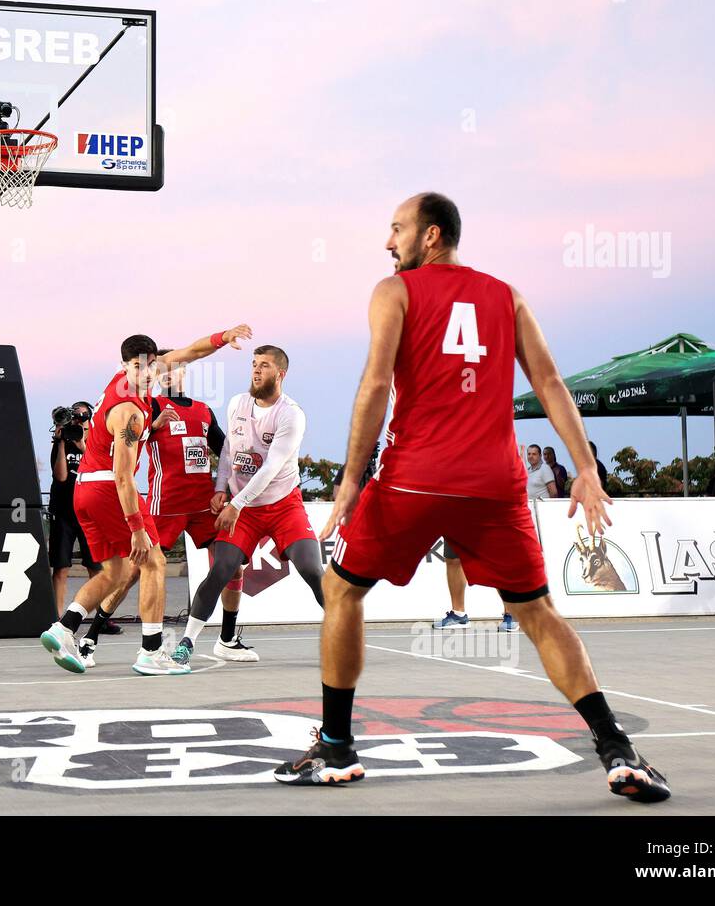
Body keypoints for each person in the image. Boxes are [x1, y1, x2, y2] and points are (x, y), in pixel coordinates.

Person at [275, 191, 669, 803]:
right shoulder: (506, 295)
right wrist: (586, 467)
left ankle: (336, 746)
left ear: (430, 236)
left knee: (341, 590)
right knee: (538, 612)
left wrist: (352, 478)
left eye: (397, 229)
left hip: (415, 477)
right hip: (495, 484)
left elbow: (376, 382)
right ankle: (616, 747)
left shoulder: (394, 291)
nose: (388, 242)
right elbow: (550, 381)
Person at [39, 324, 252, 676]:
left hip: (86, 491)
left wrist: (223, 337)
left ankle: (63, 629)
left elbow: (189, 352)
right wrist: (137, 528)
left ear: (154, 364)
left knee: (117, 571)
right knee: (153, 562)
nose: (143, 373)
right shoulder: (131, 413)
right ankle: (151, 652)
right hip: (110, 490)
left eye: (148, 366)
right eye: (136, 367)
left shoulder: (127, 385)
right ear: (125, 367)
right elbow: (123, 476)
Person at [171, 345, 326, 668]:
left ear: (280, 374)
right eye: (254, 364)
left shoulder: (291, 414)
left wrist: (235, 503)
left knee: (311, 568)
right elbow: (229, 450)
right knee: (222, 569)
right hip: (244, 510)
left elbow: (270, 469)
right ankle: (187, 643)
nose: (256, 371)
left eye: (264, 366)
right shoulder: (238, 404)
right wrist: (219, 488)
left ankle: (344, 635)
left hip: (283, 505)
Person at [47, 402, 108, 619]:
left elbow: (100, 468)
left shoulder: (96, 441)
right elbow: (61, 476)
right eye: (75, 416)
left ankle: (98, 618)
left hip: (90, 513)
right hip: (64, 511)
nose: (78, 421)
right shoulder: (63, 440)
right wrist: (61, 443)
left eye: (83, 417)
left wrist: (83, 445)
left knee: (96, 567)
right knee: (61, 567)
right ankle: (56, 617)